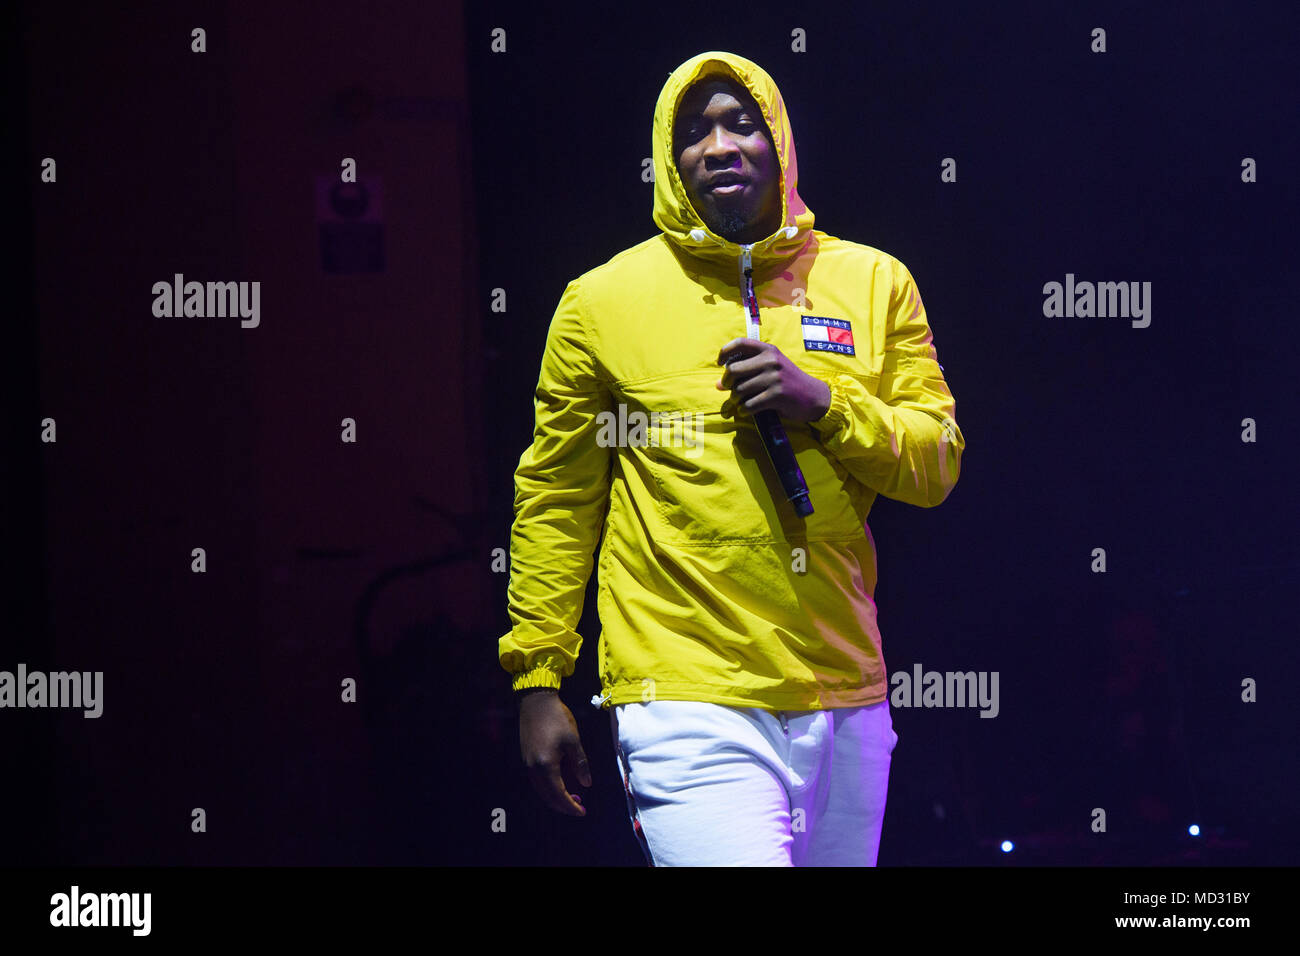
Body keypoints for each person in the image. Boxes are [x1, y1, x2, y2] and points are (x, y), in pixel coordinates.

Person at [498, 50, 964, 866]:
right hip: (684, 692)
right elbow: (556, 500)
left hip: (844, 691)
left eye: (740, 123)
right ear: (668, 159)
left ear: (778, 142)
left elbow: (935, 465)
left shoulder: (873, 282)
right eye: (692, 133)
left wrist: (823, 401)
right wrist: (538, 677)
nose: (717, 146)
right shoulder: (602, 302)